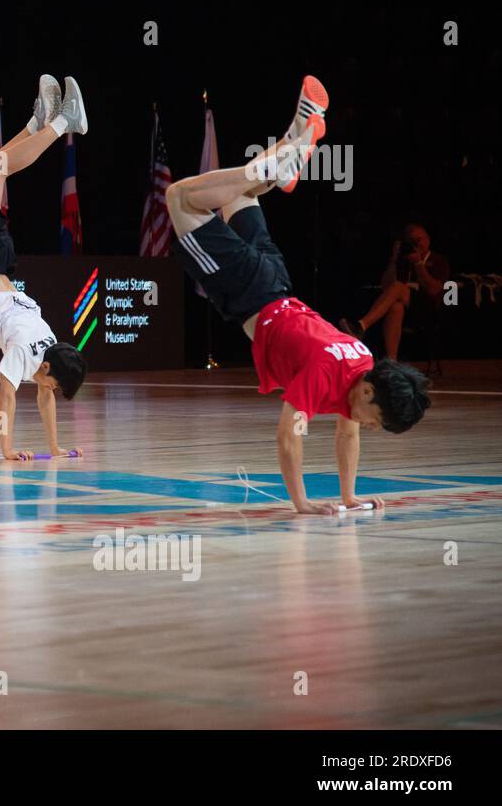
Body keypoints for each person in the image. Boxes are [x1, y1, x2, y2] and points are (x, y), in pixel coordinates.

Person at [165, 75, 430, 514]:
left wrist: (348, 497)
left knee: (240, 196)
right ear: (368, 394)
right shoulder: (327, 374)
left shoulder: (364, 363)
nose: (370, 428)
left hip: (276, 280)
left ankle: (291, 143)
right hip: (250, 290)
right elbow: (288, 433)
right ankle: (282, 158)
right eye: (379, 421)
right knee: (180, 199)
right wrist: (302, 503)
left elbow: (348, 434)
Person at [0, 74, 88, 460]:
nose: (48, 391)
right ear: (47, 366)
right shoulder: (26, 354)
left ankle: (38, 121)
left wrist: (55, 447)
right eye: (52, 385)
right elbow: (6, 397)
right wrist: (7, 449)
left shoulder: (49, 342)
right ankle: (65, 123)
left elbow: (44, 397)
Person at [338, 223, 449, 359]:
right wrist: (393, 259)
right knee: (396, 306)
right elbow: (385, 286)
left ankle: (361, 326)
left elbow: (433, 290)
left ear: (428, 240)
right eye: (413, 241)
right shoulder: (403, 260)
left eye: (420, 239)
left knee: (397, 287)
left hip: (428, 308)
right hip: (407, 309)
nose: (417, 243)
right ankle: (392, 361)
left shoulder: (438, 260)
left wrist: (418, 264)